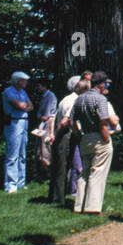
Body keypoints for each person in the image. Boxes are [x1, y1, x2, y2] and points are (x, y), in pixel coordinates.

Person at [73, 72, 119, 213]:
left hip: (85, 136)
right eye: (106, 83)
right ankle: (92, 207)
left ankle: (79, 205)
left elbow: (71, 121)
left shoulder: (79, 99)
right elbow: (103, 121)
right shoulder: (100, 99)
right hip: (99, 137)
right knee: (97, 172)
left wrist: (78, 135)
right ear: (101, 84)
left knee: (84, 173)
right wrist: (106, 139)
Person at [50, 76, 83, 206]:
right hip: (66, 134)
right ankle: (59, 199)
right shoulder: (74, 100)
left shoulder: (66, 99)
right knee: (62, 167)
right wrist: (59, 134)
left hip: (62, 134)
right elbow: (66, 120)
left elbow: (56, 117)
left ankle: (54, 196)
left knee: (59, 166)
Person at [2, 71, 33, 193]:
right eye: (24, 80)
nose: (26, 82)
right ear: (17, 80)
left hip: (24, 121)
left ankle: (21, 182)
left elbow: (30, 106)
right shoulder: (8, 91)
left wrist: (25, 106)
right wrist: (24, 106)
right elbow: (19, 106)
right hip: (13, 122)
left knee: (22, 153)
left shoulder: (23, 92)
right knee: (13, 153)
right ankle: (10, 184)